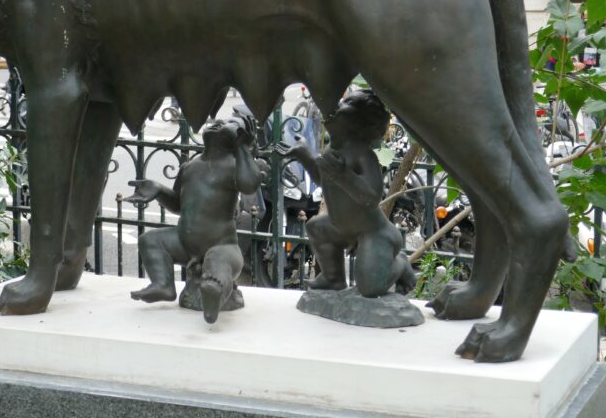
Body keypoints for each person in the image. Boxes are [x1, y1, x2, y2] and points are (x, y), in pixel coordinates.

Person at [126, 112, 264, 323]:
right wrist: (159, 190)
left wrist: (243, 149)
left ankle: (214, 296)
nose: (218, 123)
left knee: (217, 265)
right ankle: (163, 285)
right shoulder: (189, 167)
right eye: (217, 121)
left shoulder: (233, 165)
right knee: (150, 240)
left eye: (227, 124)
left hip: (222, 246)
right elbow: (178, 205)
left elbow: (249, 185)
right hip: (184, 243)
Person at [276, 89, 415, 298]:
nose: (338, 107)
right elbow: (323, 179)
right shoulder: (332, 150)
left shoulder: (363, 155)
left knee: (371, 288)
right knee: (316, 226)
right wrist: (304, 154)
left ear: (358, 124)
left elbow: (371, 198)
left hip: (373, 232)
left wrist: (344, 176)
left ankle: (401, 264)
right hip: (341, 227)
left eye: (347, 104)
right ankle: (333, 278)